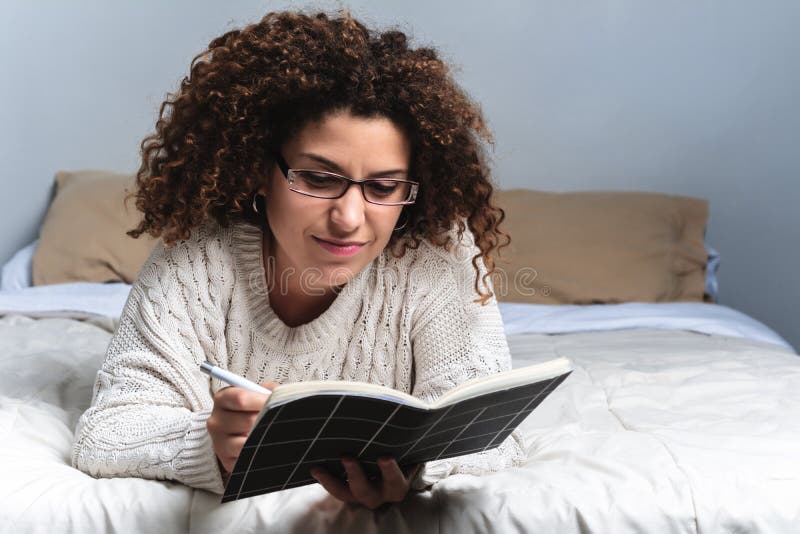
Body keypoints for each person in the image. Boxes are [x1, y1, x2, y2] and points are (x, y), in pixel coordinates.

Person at [71, 9, 522, 510]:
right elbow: (107, 431)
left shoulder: (437, 251)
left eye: (384, 186)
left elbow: (492, 435)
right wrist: (210, 444)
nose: (350, 217)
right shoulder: (196, 257)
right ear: (260, 170)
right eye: (319, 179)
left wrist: (414, 471)